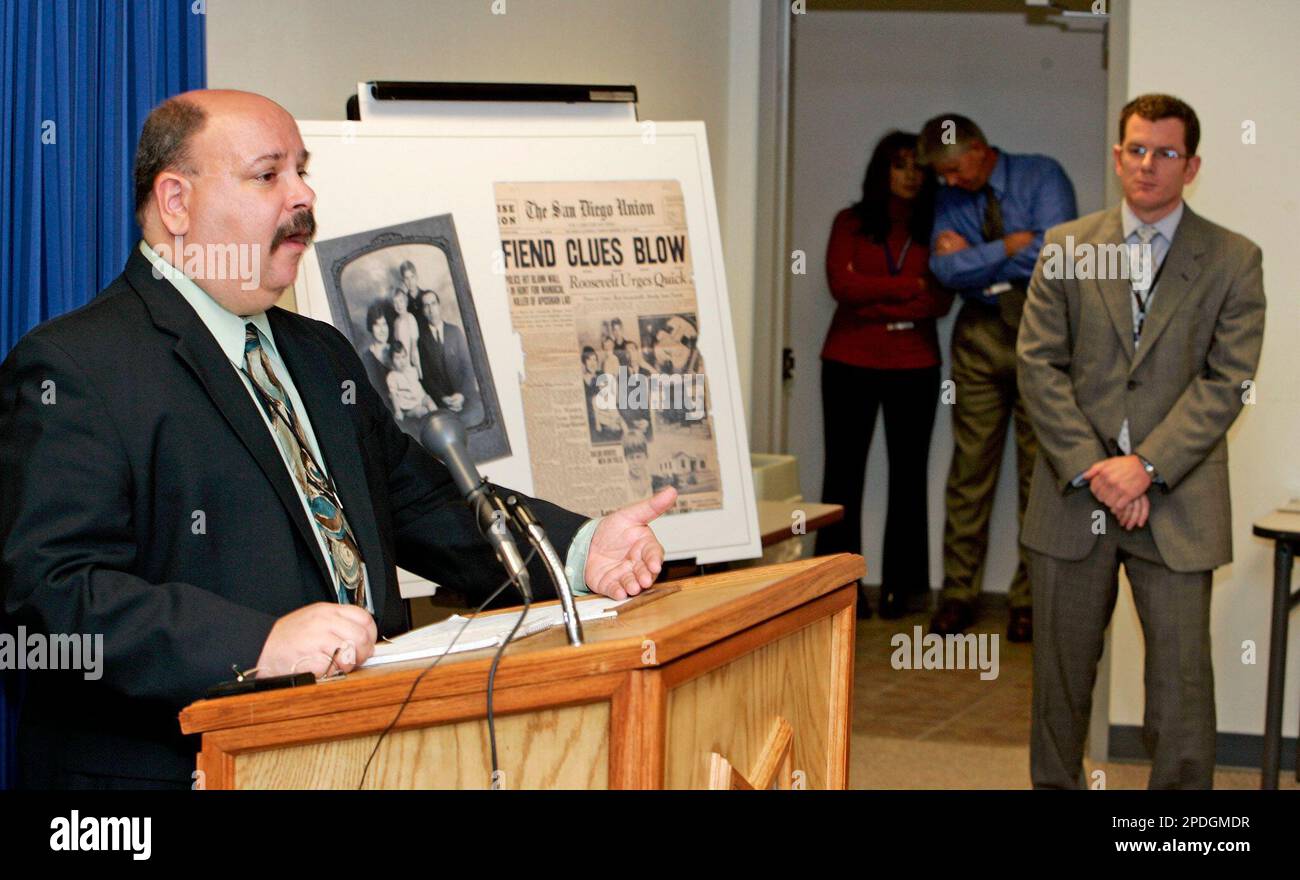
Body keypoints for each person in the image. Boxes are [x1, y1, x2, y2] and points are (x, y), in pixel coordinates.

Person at [0, 89, 676, 789]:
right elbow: (48, 600)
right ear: (177, 203)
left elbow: (428, 505)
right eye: (269, 175)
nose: (303, 195)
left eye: (303, 169)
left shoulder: (319, 354)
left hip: (354, 756)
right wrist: (255, 646)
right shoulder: (77, 365)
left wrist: (575, 549)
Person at [1017, 94, 1264, 789]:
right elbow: (1038, 365)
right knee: (1060, 688)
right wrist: (1099, 470)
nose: (1146, 165)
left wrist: (1145, 467)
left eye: (1164, 153)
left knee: (1182, 692)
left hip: (1177, 503)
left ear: (1192, 166)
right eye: (1135, 149)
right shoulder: (1066, 248)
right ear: (1118, 153)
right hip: (1074, 499)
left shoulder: (1234, 260)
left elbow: (1228, 381)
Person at [918, 114, 1077, 641]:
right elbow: (945, 272)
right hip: (979, 332)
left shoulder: (1042, 176)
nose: (951, 182)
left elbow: (1055, 255)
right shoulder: (950, 194)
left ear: (982, 150)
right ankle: (958, 595)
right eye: (942, 174)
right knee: (970, 471)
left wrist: (978, 256)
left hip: (1043, 329)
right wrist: (1010, 247)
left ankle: (1029, 601)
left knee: (1039, 473)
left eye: (956, 169)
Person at [814, 130, 952, 619]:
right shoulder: (849, 222)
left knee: (909, 477)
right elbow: (842, 285)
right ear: (882, 170)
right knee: (843, 478)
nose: (911, 174)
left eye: (919, 166)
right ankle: (835, 588)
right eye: (900, 164)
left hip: (915, 364)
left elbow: (939, 298)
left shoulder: (939, 224)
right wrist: (907, 286)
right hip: (849, 362)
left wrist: (879, 294)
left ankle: (904, 588)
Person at [415, 288, 479, 424]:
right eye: (426, 306)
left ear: (439, 306)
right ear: (423, 311)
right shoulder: (422, 341)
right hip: (443, 404)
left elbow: (468, 367)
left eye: (433, 304)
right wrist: (442, 398)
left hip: (466, 397)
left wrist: (461, 394)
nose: (430, 309)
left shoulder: (455, 331)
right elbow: (427, 378)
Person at [384, 340, 437, 423]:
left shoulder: (411, 370)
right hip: (409, 407)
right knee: (423, 411)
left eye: (403, 357)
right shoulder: (392, 376)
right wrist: (398, 411)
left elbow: (418, 385)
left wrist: (424, 396)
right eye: (397, 358)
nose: (402, 361)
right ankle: (431, 427)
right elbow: (393, 395)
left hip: (419, 398)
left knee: (430, 402)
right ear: (391, 360)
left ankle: (440, 421)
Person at [361, 300, 392, 409]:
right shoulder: (367, 358)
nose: (382, 330)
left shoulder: (396, 349)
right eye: (377, 325)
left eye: (384, 324)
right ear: (371, 328)